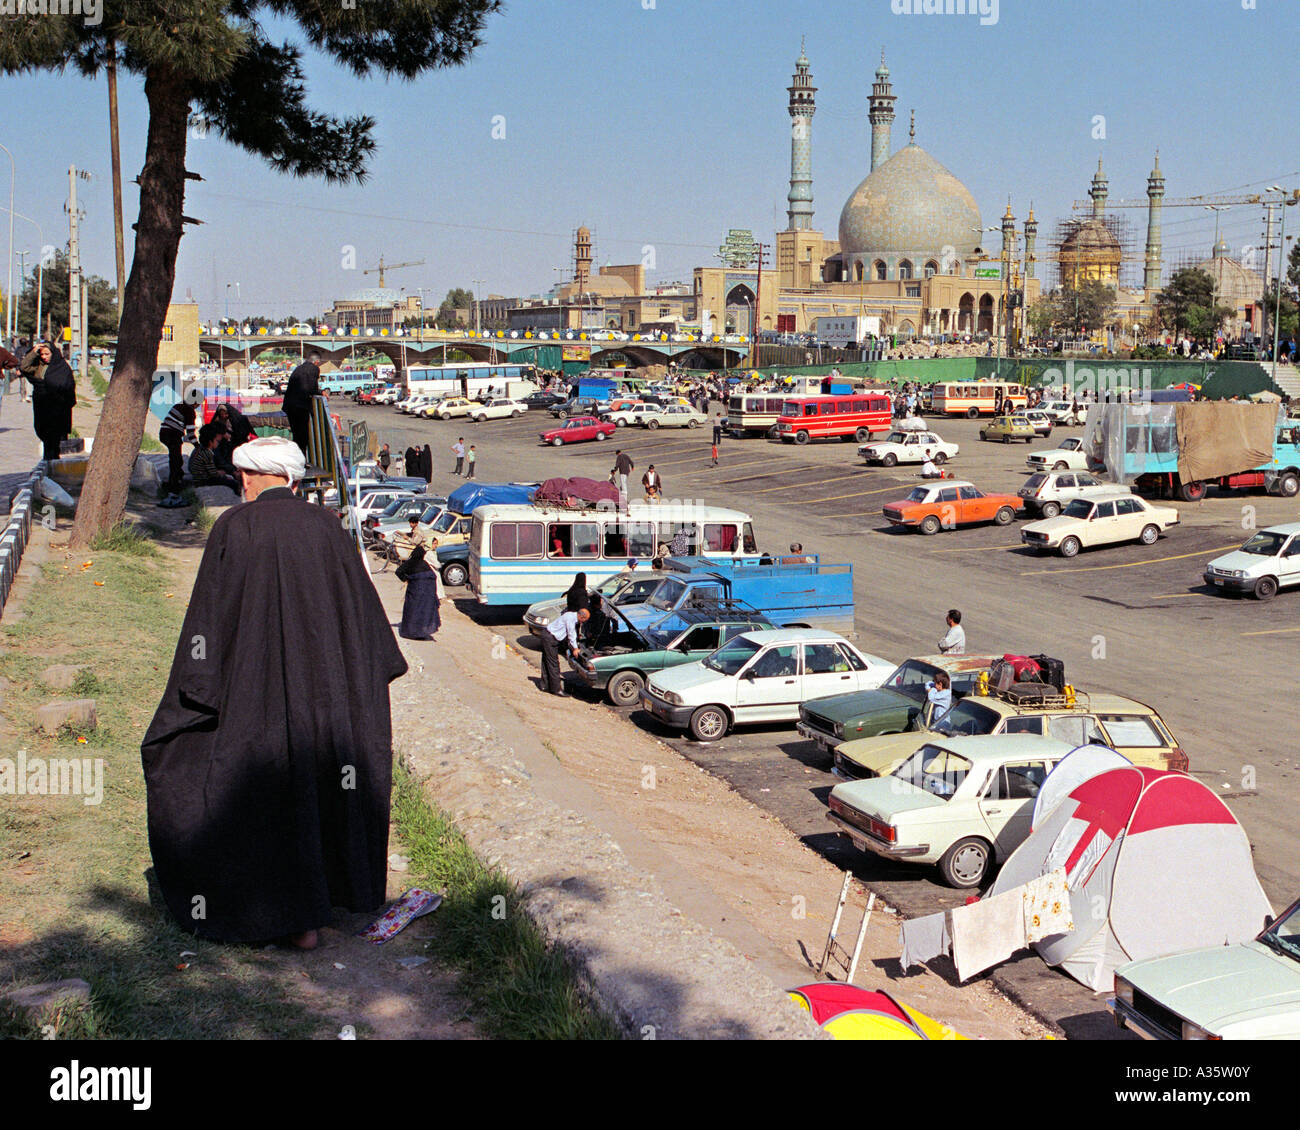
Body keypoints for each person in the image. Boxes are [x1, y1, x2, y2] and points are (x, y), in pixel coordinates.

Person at [141, 436, 407, 947]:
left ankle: (289, 917)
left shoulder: (234, 528)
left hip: (253, 692)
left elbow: (207, 625)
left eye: (241, 477)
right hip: (326, 695)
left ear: (250, 477)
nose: (239, 484)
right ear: (291, 479)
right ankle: (319, 908)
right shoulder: (328, 529)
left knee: (262, 793)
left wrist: (194, 690)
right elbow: (366, 625)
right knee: (321, 789)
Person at [20, 341, 77, 463]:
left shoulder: (62, 368)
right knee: (43, 432)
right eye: (42, 354)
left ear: (53, 353)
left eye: (47, 354)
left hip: (57, 408)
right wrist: (34, 352)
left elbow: (67, 387)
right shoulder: (39, 366)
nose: (44, 357)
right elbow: (24, 367)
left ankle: (51, 461)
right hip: (42, 405)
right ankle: (49, 461)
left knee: (53, 437)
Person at [539, 606, 591, 696]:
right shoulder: (571, 619)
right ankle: (556, 689)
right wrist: (575, 648)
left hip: (547, 635)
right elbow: (571, 634)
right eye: (584, 620)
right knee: (553, 664)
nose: (583, 622)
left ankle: (544, 685)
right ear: (581, 617)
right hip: (550, 638)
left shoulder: (570, 615)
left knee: (546, 661)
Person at [396, 543, 442, 640]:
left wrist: (407, 579)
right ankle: (423, 631)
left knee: (413, 610)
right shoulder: (425, 564)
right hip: (428, 592)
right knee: (424, 611)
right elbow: (432, 577)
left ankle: (411, 632)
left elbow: (398, 572)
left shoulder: (410, 563)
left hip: (415, 591)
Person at [282, 351, 322, 454]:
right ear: (316, 362)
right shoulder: (314, 369)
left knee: (296, 434)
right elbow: (311, 388)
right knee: (302, 436)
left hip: (289, 406)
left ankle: (297, 458)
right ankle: (301, 459)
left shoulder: (298, 368)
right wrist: (321, 392)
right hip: (300, 406)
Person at [159, 400, 197, 499]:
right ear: (195, 402)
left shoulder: (180, 405)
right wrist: (198, 446)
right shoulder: (190, 411)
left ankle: (175, 481)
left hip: (163, 433)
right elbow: (190, 433)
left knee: (176, 460)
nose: (198, 406)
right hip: (172, 435)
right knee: (175, 461)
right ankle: (173, 489)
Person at [189, 424, 239, 492]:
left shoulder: (201, 450)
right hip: (204, 480)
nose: (218, 443)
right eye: (217, 441)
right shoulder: (208, 453)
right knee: (232, 483)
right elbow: (212, 473)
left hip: (200, 478)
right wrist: (220, 473)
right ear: (210, 441)